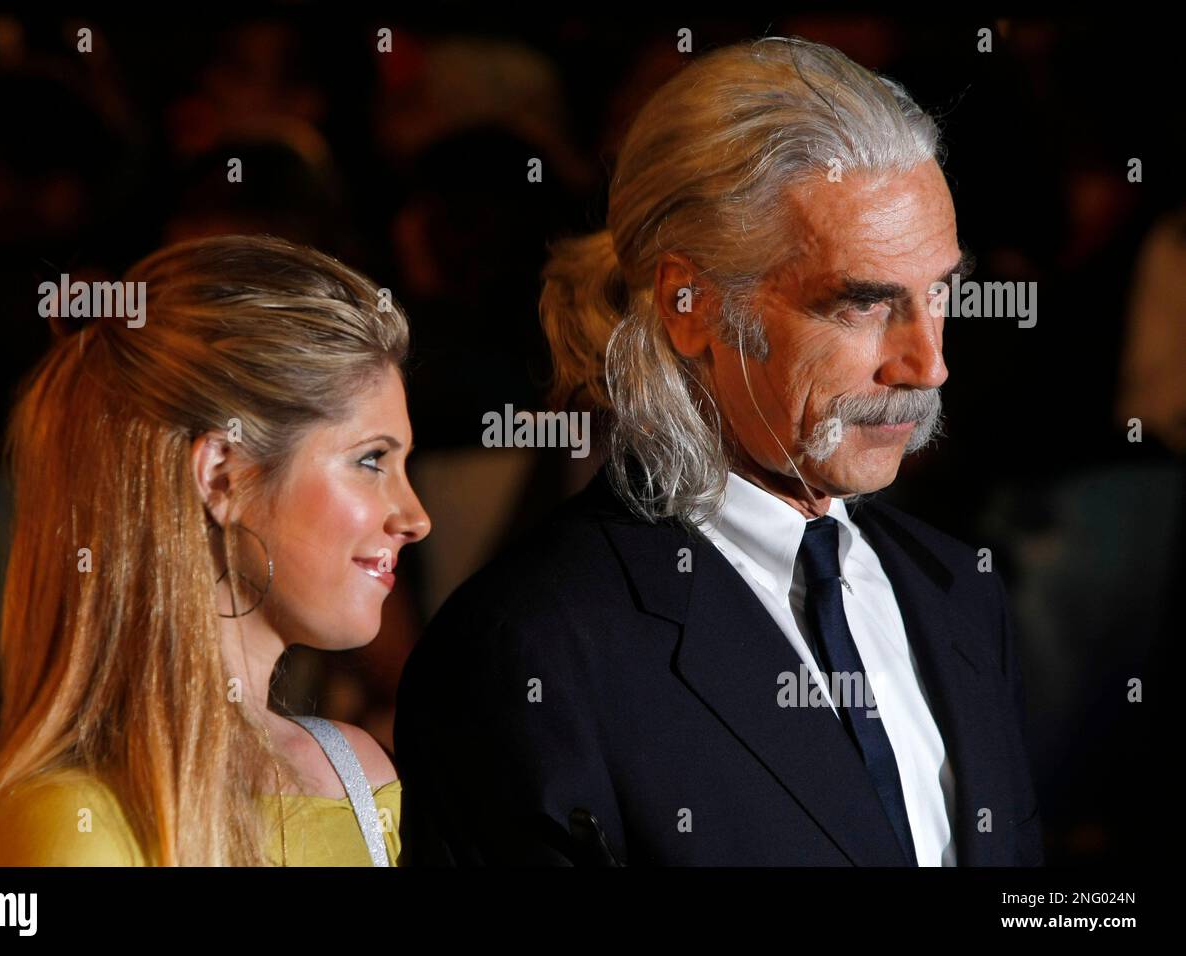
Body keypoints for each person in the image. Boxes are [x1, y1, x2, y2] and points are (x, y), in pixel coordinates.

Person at [394, 37, 1042, 866]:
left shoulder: (958, 596)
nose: (927, 364)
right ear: (689, 304)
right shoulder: (533, 651)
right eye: (863, 306)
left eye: (938, 296)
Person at [0, 234, 431, 866]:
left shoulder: (361, 776)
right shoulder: (70, 824)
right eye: (371, 460)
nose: (415, 517)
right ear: (222, 475)